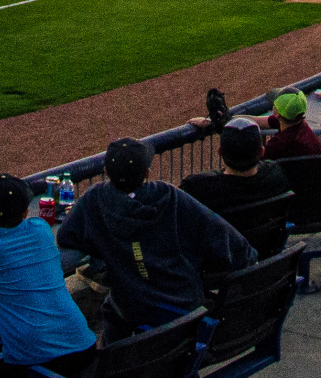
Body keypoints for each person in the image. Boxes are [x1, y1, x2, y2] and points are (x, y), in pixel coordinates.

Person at [58, 138, 254, 338]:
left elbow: (67, 238)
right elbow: (231, 242)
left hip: (136, 311)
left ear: (106, 172)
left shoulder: (95, 199)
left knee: (115, 310)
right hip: (186, 308)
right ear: (147, 173)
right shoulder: (168, 194)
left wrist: (104, 249)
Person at [0, 176, 98, 377]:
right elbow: (17, 230)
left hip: (36, 363)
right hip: (85, 350)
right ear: (26, 212)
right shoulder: (41, 230)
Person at [178, 119, 292, 246]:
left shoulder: (195, 187)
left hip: (220, 263)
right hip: (267, 256)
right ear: (262, 152)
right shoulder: (275, 173)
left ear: (220, 152)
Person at [263, 90, 321, 159]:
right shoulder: (300, 124)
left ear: (276, 113)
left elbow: (255, 160)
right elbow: (260, 121)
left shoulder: (279, 144)